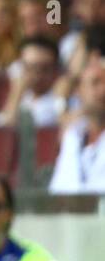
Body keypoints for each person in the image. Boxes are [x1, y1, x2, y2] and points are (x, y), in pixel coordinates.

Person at [49, 57, 105, 193]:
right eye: (95, 83)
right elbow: (58, 188)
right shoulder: (72, 136)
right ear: (79, 91)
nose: (103, 90)